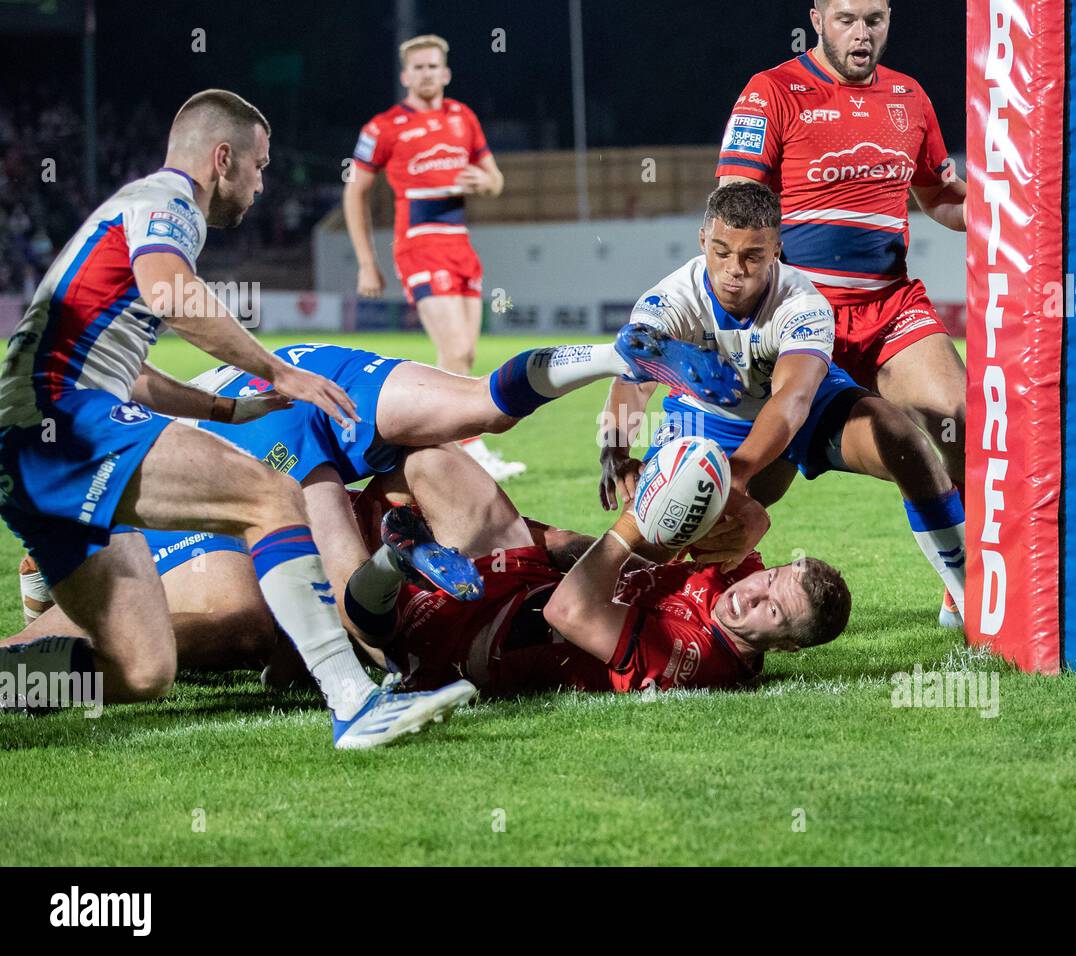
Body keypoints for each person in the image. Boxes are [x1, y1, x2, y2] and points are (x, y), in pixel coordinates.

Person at [0, 90, 477, 748]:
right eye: (259, 166)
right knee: (269, 493)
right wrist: (279, 370)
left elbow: (131, 375)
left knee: (142, 668)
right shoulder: (168, 203)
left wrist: (224, 407)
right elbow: (171, 293)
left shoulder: (124, 219)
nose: (262, 183)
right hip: (63, 423)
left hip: (34, 443)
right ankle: (355, 702)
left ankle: (6, 678)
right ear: (222, 159)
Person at [8, 331, 744, 678]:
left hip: (297, 394)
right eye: (258, 166)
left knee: (478, 412)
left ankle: (617, 353)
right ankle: (38, 633)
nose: (263, 179)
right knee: (251, 624)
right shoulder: (161, 231)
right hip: (262, 414)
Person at [598, 181, 968, 623]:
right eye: (721, 251)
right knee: (659, 534)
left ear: (776, 248)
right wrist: (615, 449)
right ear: (702, 241)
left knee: (903, 442)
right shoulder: (671, 298)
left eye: (752, 256)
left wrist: (737, 474)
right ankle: (648, 612)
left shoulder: (803, 302)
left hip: (807, 408)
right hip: (707, 418)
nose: (734, 269)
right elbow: (635, 373)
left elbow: (792, 399)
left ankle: (969, 595)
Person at [716, 0, 968, 626]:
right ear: (819, 18)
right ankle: (682, 601)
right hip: (800, 319)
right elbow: (736, 203)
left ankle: (968, 585)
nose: (863, 33)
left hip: (889, 307)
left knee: (960, 425)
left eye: (876, 19)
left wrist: (1017, 205)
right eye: (848, 19)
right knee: (747, 488)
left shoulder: (910, 96)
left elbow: (940, 198)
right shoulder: (772, 92)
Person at [346, 443, 853, 697]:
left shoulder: (699, 661)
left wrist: (635, 522)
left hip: (470, 641)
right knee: (427, 459)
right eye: (767, 580)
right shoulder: (739, 584)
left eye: (772, 611)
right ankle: (392, 546)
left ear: (785, 645)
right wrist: (737, 507)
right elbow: (734, 515)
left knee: (330, 533)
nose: (752, 595)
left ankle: (374, 555)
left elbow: (570, 610)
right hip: (517, 581)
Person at [342, 33, 522, 482]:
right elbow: (355, 193)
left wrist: (484, 185)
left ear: (446, 72)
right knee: (455, 350)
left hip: (459, 243)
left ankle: (451, 447)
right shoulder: (383, 127)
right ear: (406, 75)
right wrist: (367, 261)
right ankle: (463, 450)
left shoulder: (463, 118)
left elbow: (495, 179)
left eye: (432, 66)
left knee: (467, 352)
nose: (425, 73)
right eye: (417, 67)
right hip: (418, 243)